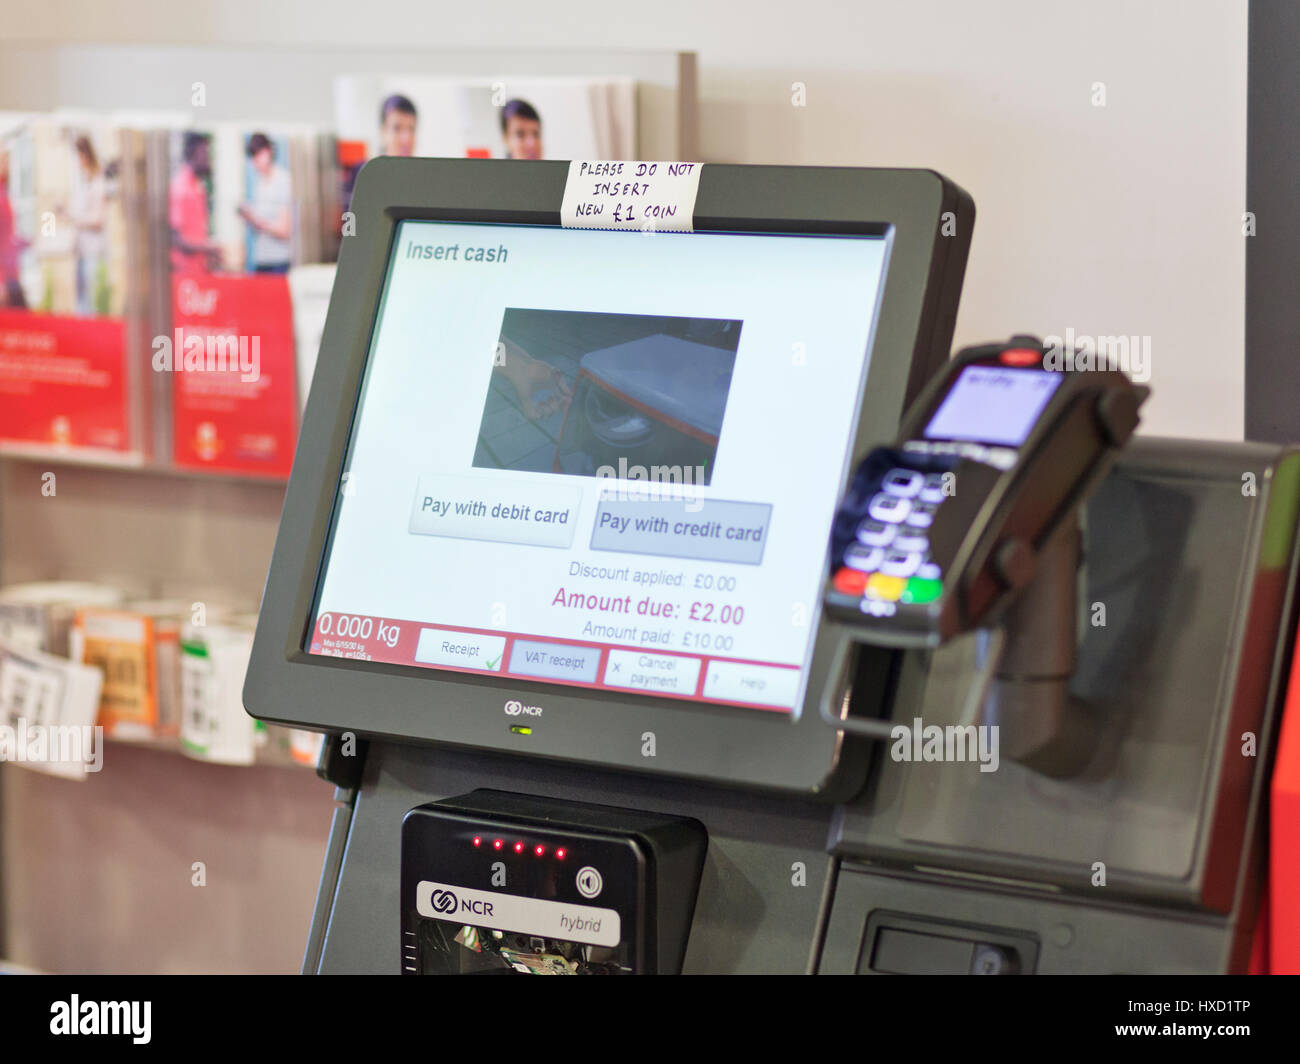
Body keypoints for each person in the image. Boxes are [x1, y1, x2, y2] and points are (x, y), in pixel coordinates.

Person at [237, 132, 292, 274]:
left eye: (259, 155)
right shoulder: (259, 183)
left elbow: (285, 230)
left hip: (279, 261)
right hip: (261, 259)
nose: (256, 162)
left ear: (269, 151)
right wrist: (249, 218)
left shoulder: (283, 180)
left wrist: (257, 221)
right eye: (253, 157)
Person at [170, 132, 221, 274]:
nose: (208, 159)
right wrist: (208, 247)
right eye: (206, 154)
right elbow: (177, 240)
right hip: (185, 273)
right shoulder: (180, 188)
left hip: (199, 270)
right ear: (194, 153)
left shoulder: (197, 187)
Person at [67, 135, 107, 315]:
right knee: (81, 299)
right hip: (80, 249)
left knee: (91, 298)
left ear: (85, 156)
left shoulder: (98, 181)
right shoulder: (82, 182)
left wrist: (75, 219)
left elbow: (98, 219)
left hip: (92, 248)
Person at [0, 147, 28, 309]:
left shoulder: (5, 191)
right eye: (2, 161)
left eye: (7, 161)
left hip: (11, 269)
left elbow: (8, 233)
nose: (6, 165)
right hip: (4, 274)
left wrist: (24, 242)